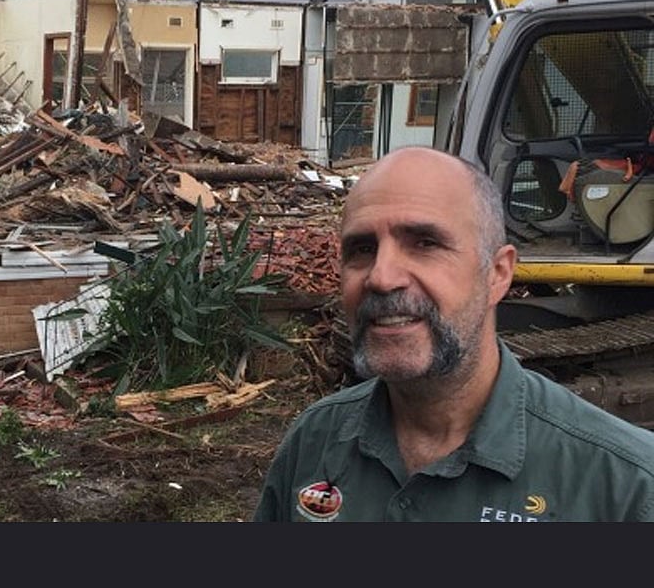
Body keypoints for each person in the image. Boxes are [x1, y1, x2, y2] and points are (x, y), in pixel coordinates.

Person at [253, 146, 654, 522]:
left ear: (498, 274)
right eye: (362, 249)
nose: (381, 277)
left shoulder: (625, 489)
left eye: (425, 243)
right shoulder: (314, 441)